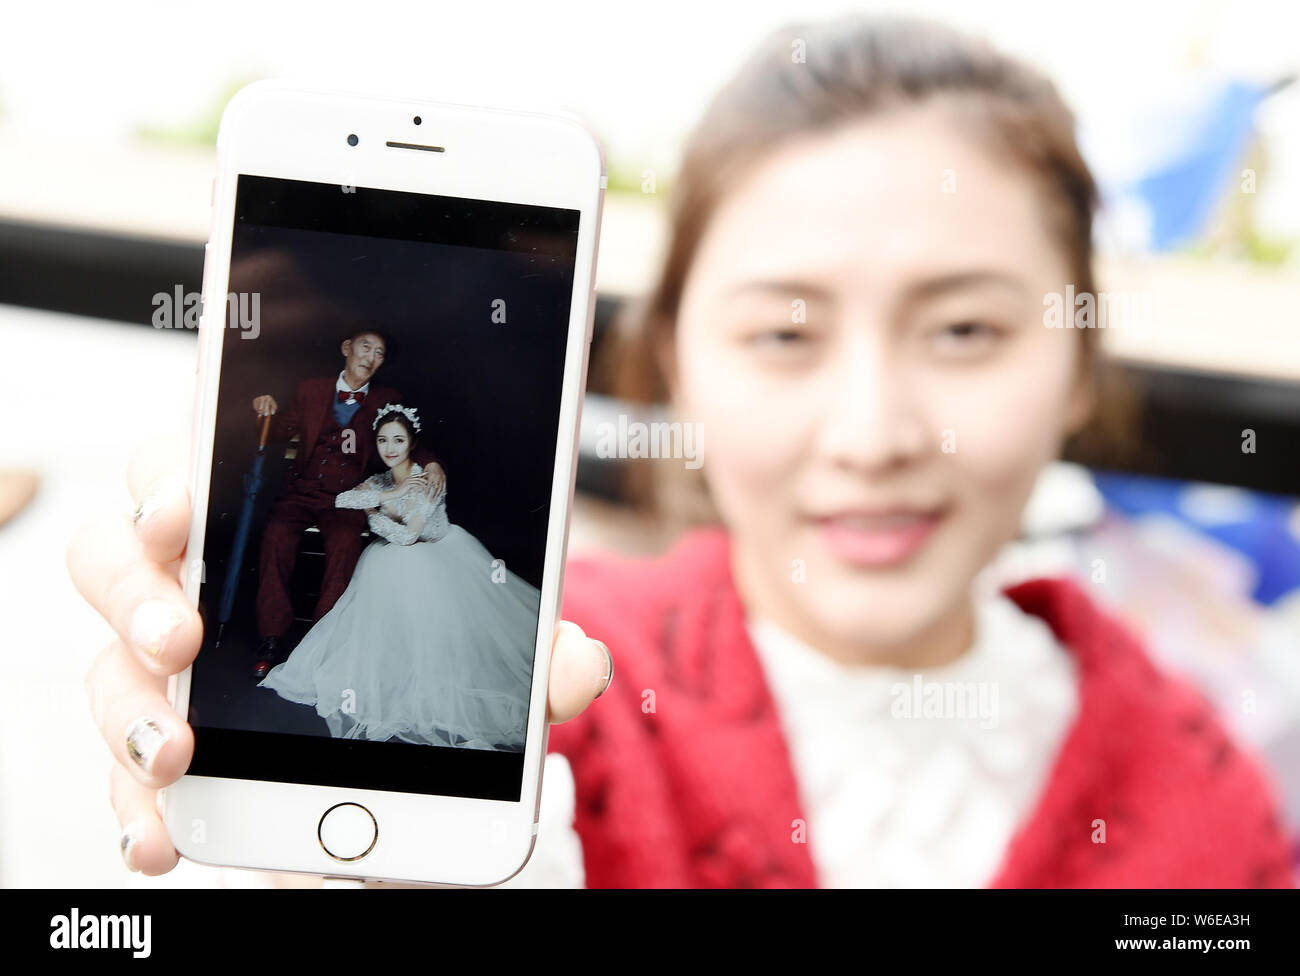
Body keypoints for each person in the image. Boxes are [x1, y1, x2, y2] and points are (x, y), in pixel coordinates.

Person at [70, 15, 1295, 887]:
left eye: (966, 328)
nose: (869, 434)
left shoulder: (1213, 798)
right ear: (672, 360)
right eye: (782, 331)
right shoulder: (554, 698)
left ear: (1077, 358)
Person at [258, 404, 541, 750]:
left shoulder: (426, 480)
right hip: (395, 553)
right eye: (382, 440)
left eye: (398, 440)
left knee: (405, 571)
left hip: (437, 551)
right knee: (384, 571)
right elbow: (343, 499)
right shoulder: (381, 479)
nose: (389, 448)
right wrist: (387, 495)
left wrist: (373, 511)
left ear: (412, 443)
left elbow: (409, 537)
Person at [250, 327, 439, 679]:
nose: (370, 357)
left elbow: (410, 438)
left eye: (379, 353)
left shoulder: (387, 398)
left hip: (347, 498)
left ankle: (321, 642)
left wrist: (430, 462)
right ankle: (271, 639)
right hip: (300, 492)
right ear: (346, 348)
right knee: (275, 535)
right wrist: (265, 410)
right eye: (365, 347)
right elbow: (278, 431)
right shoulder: (311, 390)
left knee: (345, 544)